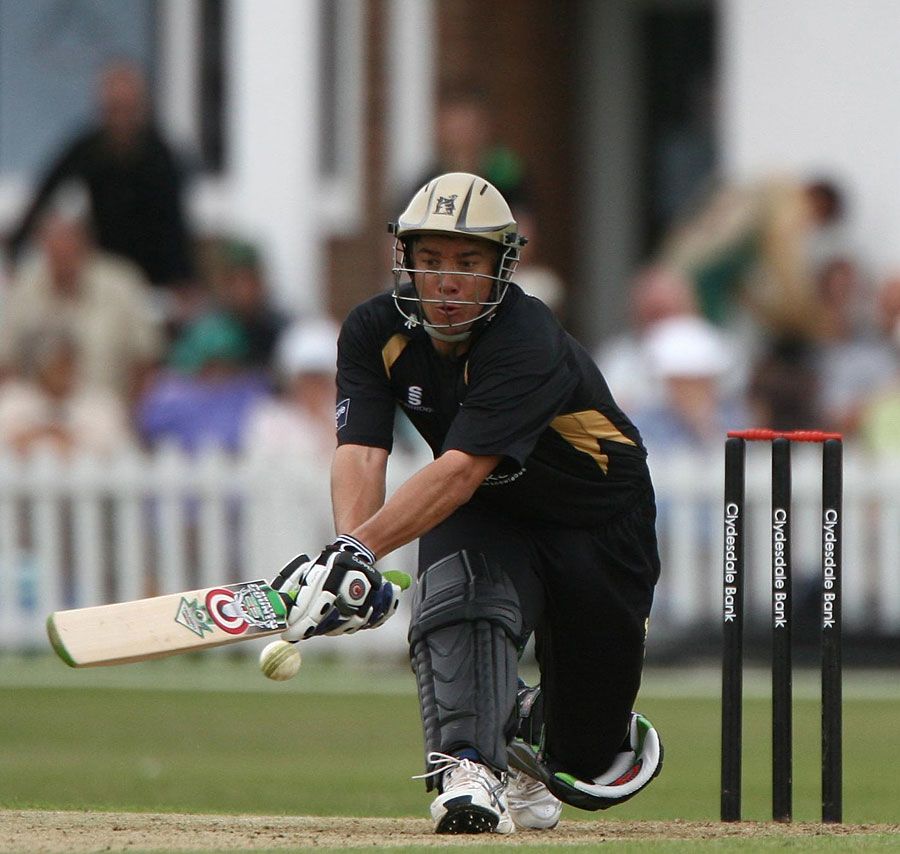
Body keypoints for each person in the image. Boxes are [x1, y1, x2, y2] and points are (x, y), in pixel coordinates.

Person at [269, 173, 664, 835]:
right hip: (492, 508)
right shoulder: (374, 330)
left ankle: (526, 728)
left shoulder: (526, 338)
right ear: (407, 259)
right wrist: (351, 557)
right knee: (463, 598)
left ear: (501, 268)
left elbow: (456, 468)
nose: (446, 281)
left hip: (599, 528)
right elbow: (363, 451)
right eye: (430, 260)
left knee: (588, 759)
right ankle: (468, 770)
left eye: (466, 263)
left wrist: (360, 550)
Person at [3, 61, 196, 318]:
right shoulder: (88, 149)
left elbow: (176, 223)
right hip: (103, 274)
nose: (120, 118)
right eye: (113, 109)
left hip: (154, 278)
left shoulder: (160, 156)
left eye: (127, 109)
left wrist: (182, 280)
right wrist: (17, 247)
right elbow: (45, 194)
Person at [0, 211, 164, 403]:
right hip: (36, 408)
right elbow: (6, 361)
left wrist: (133, 414)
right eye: (54, 244)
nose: (62, 251)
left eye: (68, 243)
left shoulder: (121, 283)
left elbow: (146, 359)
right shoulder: (24, 286)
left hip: (104, 406)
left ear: (84, 244)